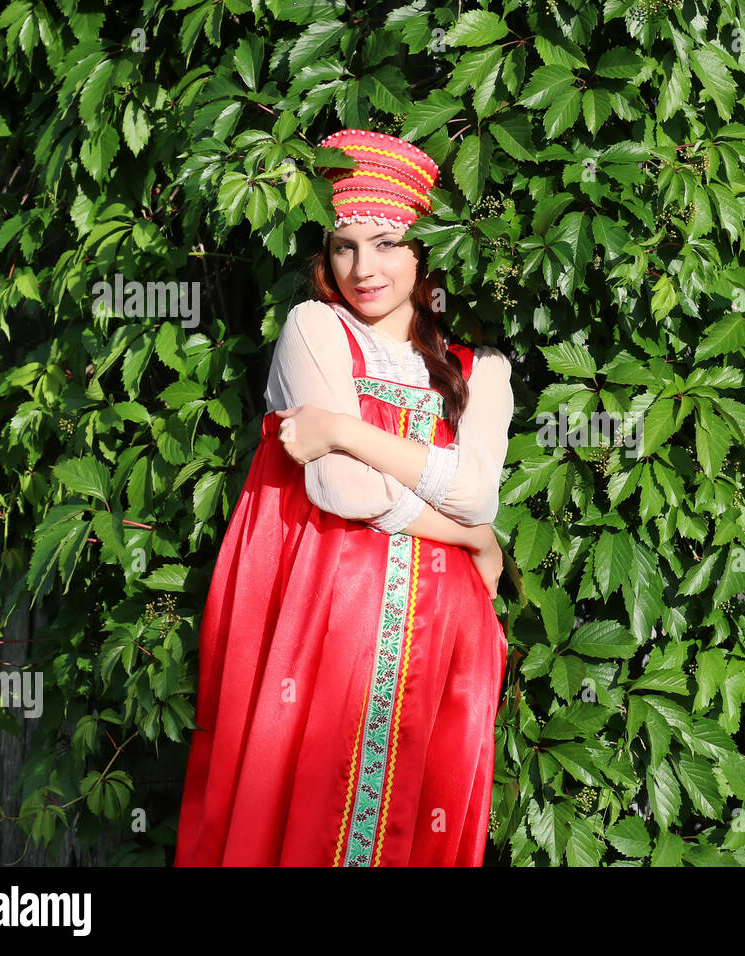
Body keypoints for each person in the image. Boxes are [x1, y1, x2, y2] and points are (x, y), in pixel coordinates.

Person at [173, 128, 514, 866]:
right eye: (345, 246)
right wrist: (473, 541)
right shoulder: (313, 328)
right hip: (328, 618)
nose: (365, 268)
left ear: (426, 254)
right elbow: (340, 488)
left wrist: (346, 431)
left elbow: (480, 490)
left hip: (450, 636)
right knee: (309, 817)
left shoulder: (480, 368)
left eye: (388, 243)